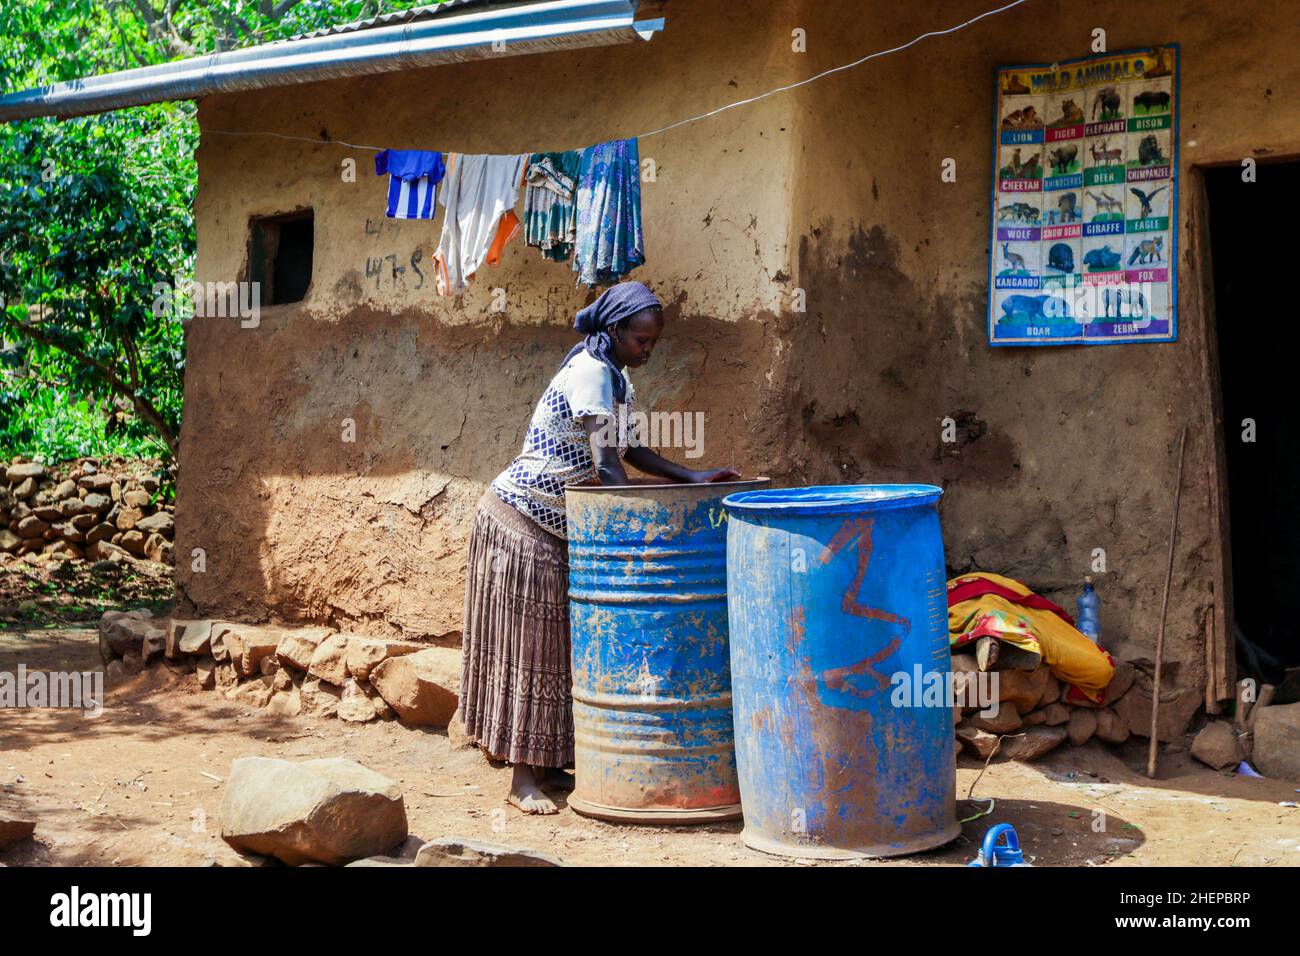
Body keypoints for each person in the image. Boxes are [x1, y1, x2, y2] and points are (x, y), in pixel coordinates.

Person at [459, 281, 739, 813]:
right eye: (641, 340)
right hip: (522, 523)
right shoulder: (589, 373)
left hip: (553, 525)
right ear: (614, 331)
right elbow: (610, 470)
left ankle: (544, 765)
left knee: (560, 649)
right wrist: (674, 500)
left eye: (654, 341)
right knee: (533, 652)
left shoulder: (616, 376)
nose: (648, 350)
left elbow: (629, 449)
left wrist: (693, 476)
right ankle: (522, 782)